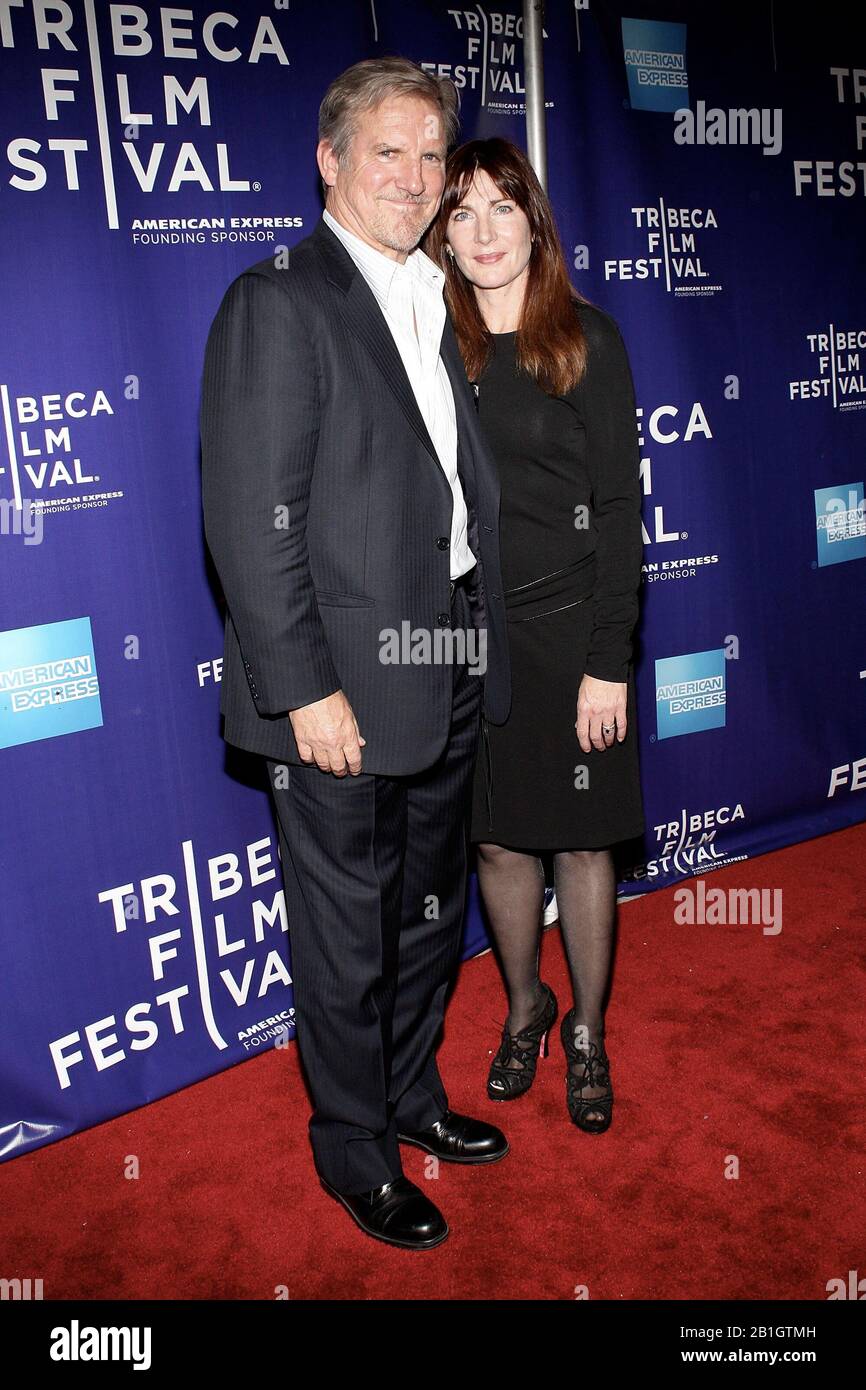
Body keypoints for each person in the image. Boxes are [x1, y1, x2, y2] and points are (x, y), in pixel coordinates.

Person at [199, 60, 513, 1251]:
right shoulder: (277, 299)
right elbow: (248, 516)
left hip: (442, 661)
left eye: (433, 156)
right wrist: (303, 690)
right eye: (389, 152)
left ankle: (411, 1097)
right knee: (344, 936)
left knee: (427, 918)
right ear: (329, 161)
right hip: (336, 690)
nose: (417, 179)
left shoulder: (430, 294)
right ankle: (354, 1152)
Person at [424, 138, 645, 1134]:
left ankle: (588, 1034)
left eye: (500, 208)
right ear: (442, 231)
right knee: (497, 839)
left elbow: (618, 510)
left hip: (570, 642)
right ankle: (526, 1010)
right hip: (473, 642)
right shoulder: (432, 345)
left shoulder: (584, 339)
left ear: (534, 222)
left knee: (583, 846)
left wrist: (608, 662)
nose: (481, 231)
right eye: (459, 211)